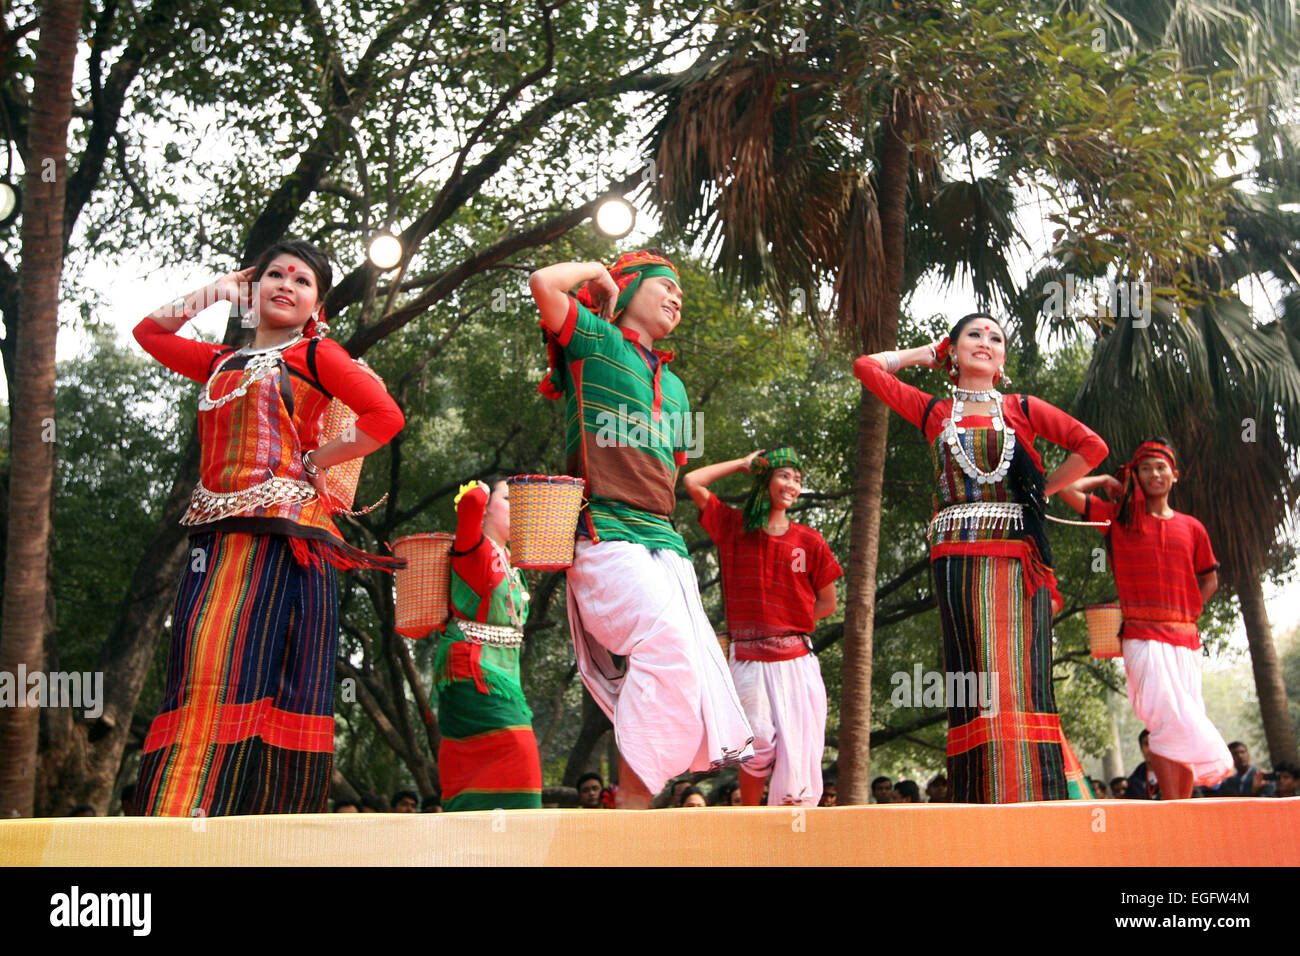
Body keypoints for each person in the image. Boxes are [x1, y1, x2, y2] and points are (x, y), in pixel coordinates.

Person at [133, 239, 405, 817]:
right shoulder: (218, 362)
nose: (286, 285)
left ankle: (260, 827)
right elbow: (149, 335)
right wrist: (217, 289)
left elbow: (386, 417)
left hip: (287, 537)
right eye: (273, 275)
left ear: (317, 304)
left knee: (265, 669)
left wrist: (319, 461)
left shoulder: (318, 355)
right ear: (253, 293)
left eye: (302, 280)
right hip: (215, 532)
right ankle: (181, 818)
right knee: (200, 662)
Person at [529, 250, 753, 809]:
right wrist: (598, 273)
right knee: (667, 646)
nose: (677, 298)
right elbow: (542, 283)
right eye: (665, 287)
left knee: (691, 665)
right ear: (629, 292)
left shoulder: (675, 387)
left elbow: (675, 466)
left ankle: (634, 805)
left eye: (681, 293)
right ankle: (629, 804)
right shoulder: (595, 341)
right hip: (602, 529)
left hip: (665, 541)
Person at [854, 313, 1108, 803]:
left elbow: (1091, 447)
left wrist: (1040, 491)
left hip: (1018, 557)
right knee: (976, 676)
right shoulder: (934, 411)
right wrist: (924, 355)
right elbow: (866, 367)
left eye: (996, 337)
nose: (986, 342)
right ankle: (984, 796)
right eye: (974, 334)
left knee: (1023, 673)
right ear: (954, 347)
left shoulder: (1023, 407)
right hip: (958, 559)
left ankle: (1039, 795)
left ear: (1004, 357)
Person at [1058, 438, 1233, 800]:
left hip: (1186, 641)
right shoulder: (1118, 519)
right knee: (1166, 719)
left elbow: (1209, 578)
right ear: (1135, 475)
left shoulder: (1193, 527)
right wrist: (1104, 478)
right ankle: (1173, 810)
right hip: (1141, 637)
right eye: (1145, 468)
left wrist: (1186, 613)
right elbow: (1065, 487)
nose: (1154, 474)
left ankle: (1179, 810)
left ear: (1174, 476)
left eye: (1160, 467)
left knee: (1183, 720)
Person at [684, 447, 844, 807]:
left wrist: (789, 621)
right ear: (764, 480)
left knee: (799, 752)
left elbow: (828, 603)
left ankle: (792, 842)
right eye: (784, 475)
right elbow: (692, 480)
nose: (792, 485)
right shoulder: (733, 527)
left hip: (796, 657)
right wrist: (742, 464)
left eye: (798, 480)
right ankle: (750, 820)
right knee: (756, 743)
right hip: (748, 657)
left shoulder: (810, 541)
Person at [434, 477, 543, 811]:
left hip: (502, 680)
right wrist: (479, 490)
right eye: (509, 498)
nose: (518, 507)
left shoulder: (513, 561)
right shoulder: (473, 545)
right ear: (486, 511)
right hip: (472, 672)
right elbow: (470, 503)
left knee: (488, 776)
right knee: (522, 760)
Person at [1125, 729, 1160, 799]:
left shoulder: (1175, 777)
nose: (1151, 749)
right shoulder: (1133, 782)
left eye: (1154, 744)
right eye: (1146, 744)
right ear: (1141, 749)